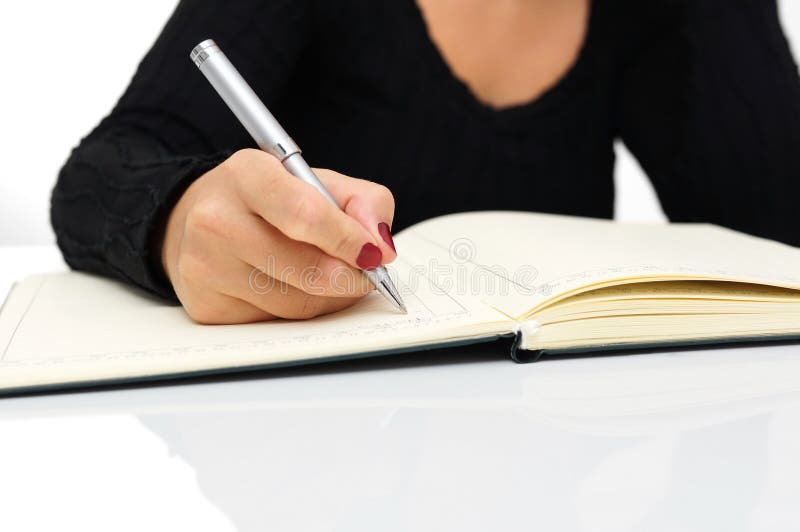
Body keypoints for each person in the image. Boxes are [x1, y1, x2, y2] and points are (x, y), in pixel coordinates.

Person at [51, 0, 800, 324]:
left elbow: (776, 242)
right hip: (319, 458)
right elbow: (103, 172)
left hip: (551, 472)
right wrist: (181, 219)